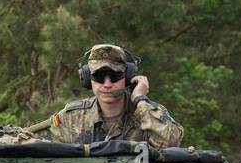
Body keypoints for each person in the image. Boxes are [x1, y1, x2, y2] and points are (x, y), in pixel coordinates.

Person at [28, 43, 183, 148]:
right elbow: (27, 138)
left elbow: (171, 142)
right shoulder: (72, 118)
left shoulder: (147, 114)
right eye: (99, 77)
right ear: (88, 78)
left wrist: (140, 99)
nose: (107, 84)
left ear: (128, 77)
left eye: (115, 76)